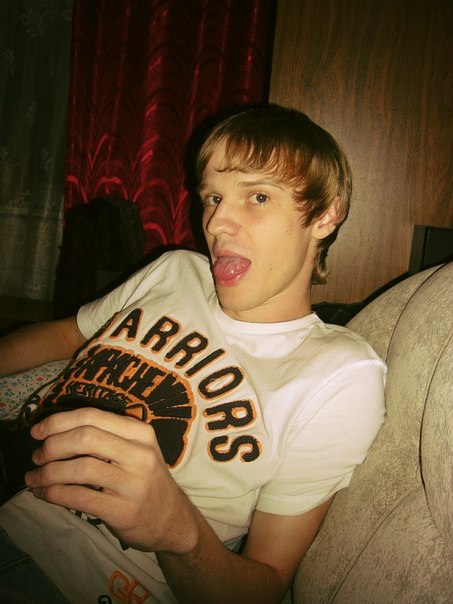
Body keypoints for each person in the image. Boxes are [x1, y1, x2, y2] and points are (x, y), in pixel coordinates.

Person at [0, 105, 386, 604]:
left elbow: (265, 586)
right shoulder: (173, 270)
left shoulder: (339, 374)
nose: (217, 222)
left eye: (258, 197)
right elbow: (65, 336)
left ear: (325, 215)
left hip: (75, 572)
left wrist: (177, 532)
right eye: (213, 197)